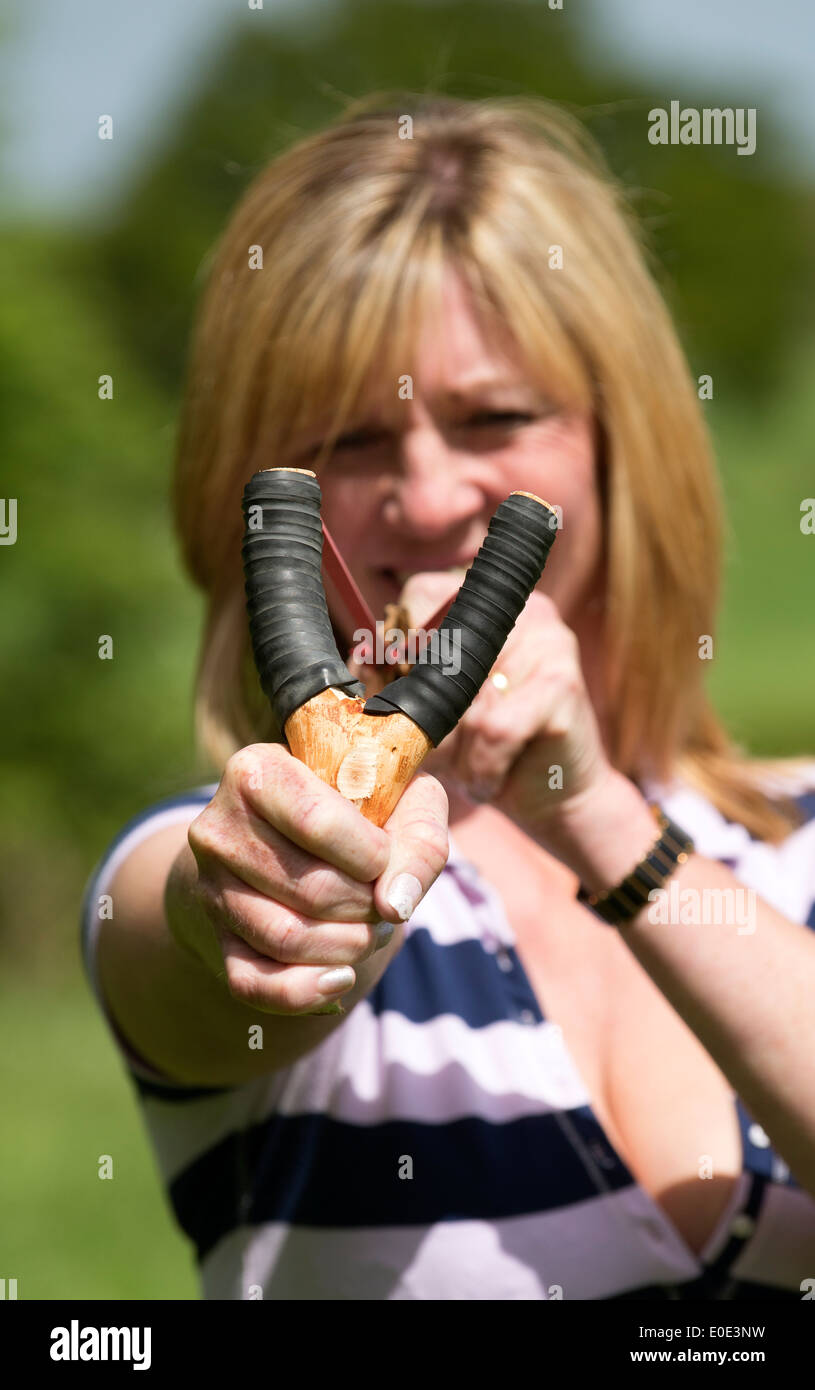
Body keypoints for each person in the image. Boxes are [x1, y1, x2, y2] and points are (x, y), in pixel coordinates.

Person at [81, 94, 815, 1300]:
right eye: (351, 439)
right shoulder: (196, 854)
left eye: (495, 418)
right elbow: (212, 944)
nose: (425, 501)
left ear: (616, 448)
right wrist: (276, 899)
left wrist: (593, 815)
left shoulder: (791, 844)